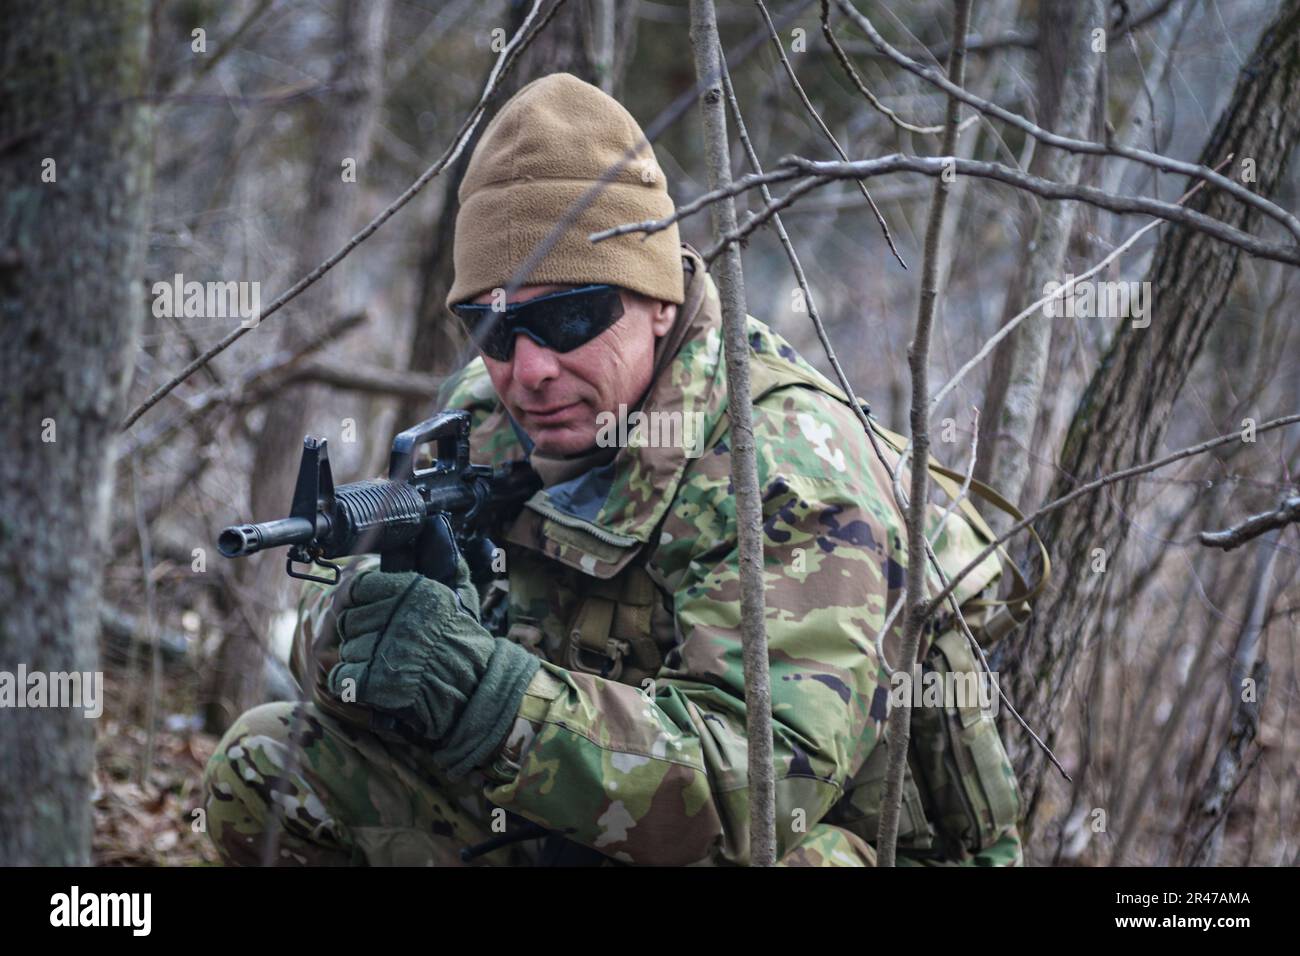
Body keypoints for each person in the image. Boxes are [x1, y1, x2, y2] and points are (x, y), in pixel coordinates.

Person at [204, 73, 1024, 866]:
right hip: (577, 810)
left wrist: (485, 696)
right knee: (268, 767)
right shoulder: (493, 412)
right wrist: (376, 623)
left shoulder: (784, 470)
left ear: (658, 297)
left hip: (800, 838)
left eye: (567, 316)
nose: (528, 369)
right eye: (490, 329)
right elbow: (333, 647)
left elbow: (761, 795)